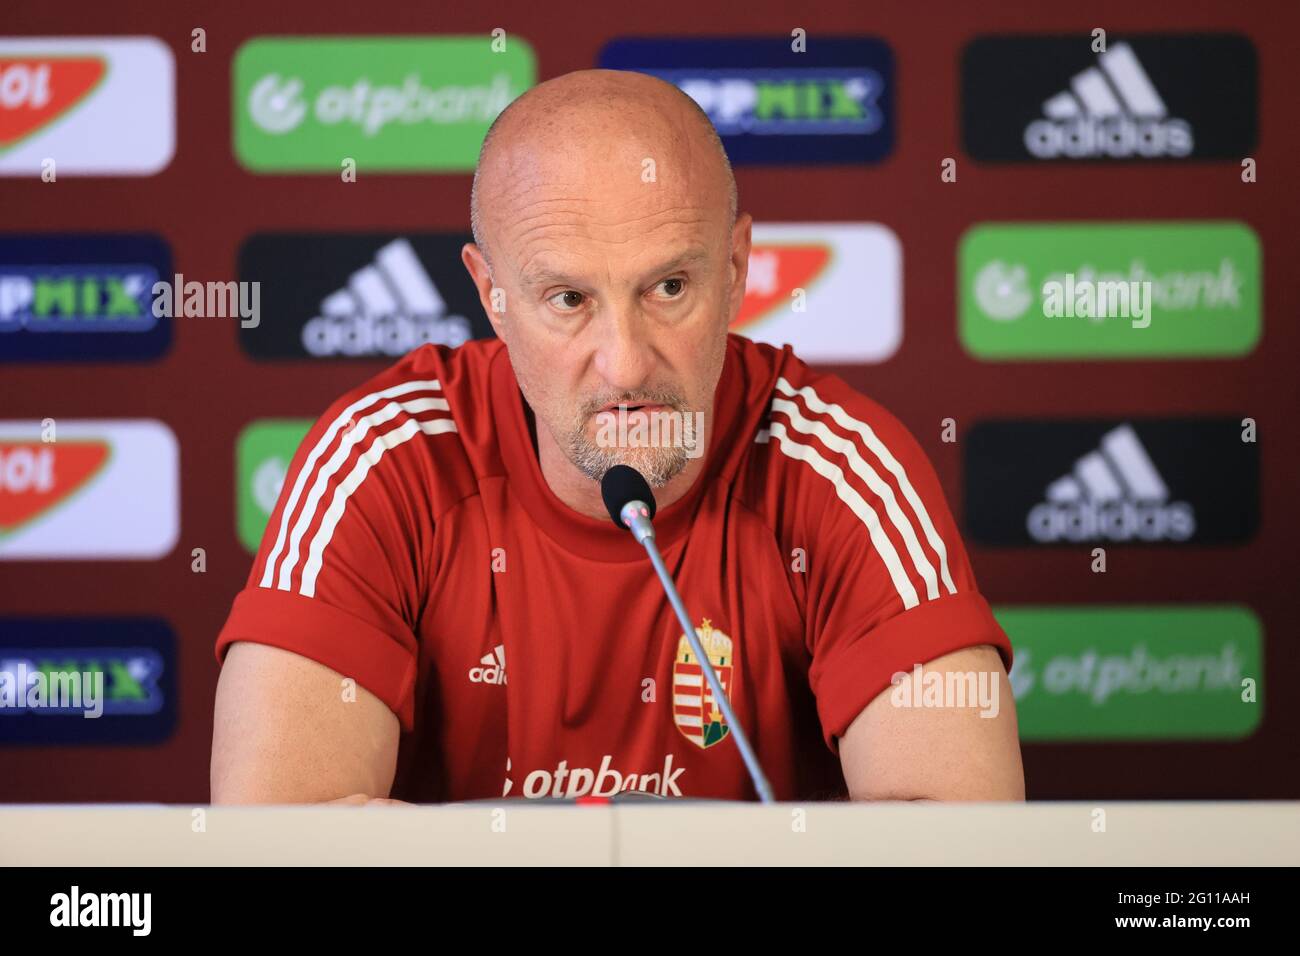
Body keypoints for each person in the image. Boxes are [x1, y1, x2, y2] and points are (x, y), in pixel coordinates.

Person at [211, 69, 1024, 804]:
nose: (626, 365)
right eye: (568, 299)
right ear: (491, 294)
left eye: (669, 287)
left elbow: (961, 845)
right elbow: (275, 846)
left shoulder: (843, 467)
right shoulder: (384, 460)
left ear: (737, 269)